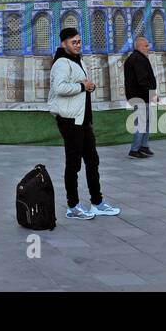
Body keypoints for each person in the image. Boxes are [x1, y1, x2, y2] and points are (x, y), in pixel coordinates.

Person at [48, 27, 121, 220]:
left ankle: (97, 202)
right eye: (74, 42)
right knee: (73, 164)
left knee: (92, 161)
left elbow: (80, 85)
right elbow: (59, 88)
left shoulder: (77, 60)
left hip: (82, 119)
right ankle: (73, 206)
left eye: (79, 41)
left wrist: (87, 86)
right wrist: (82, 86)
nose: (78, 45)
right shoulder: (62, 63)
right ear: (64, 43)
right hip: (70, 120)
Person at [123, 35, 157, 158]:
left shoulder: (137, 58)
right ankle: (135, 149)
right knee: (142, 122)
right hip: (140, 96)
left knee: (146, 121)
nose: (148, 48)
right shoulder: (138, 59)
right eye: (146, 46)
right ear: (139, 47)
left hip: (140, 96)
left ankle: (143, 146)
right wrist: (152, 94)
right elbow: (142, 80)